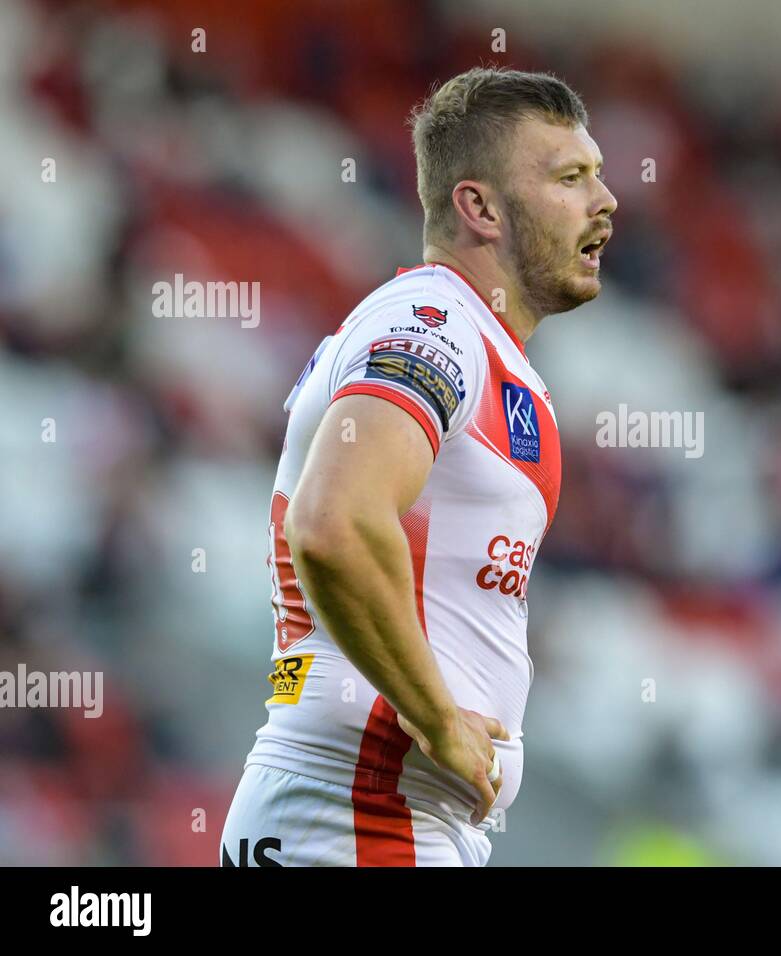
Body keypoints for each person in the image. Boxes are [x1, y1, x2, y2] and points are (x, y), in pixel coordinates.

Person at [220, 66, 616, 867]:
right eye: (571, 178)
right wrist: (438, 720)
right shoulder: (432, 323)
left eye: (599, 175)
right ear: (480, 207)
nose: (605, 200)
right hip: (359, 814)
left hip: (380, 816)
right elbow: (333, 523)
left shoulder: (478, 345)